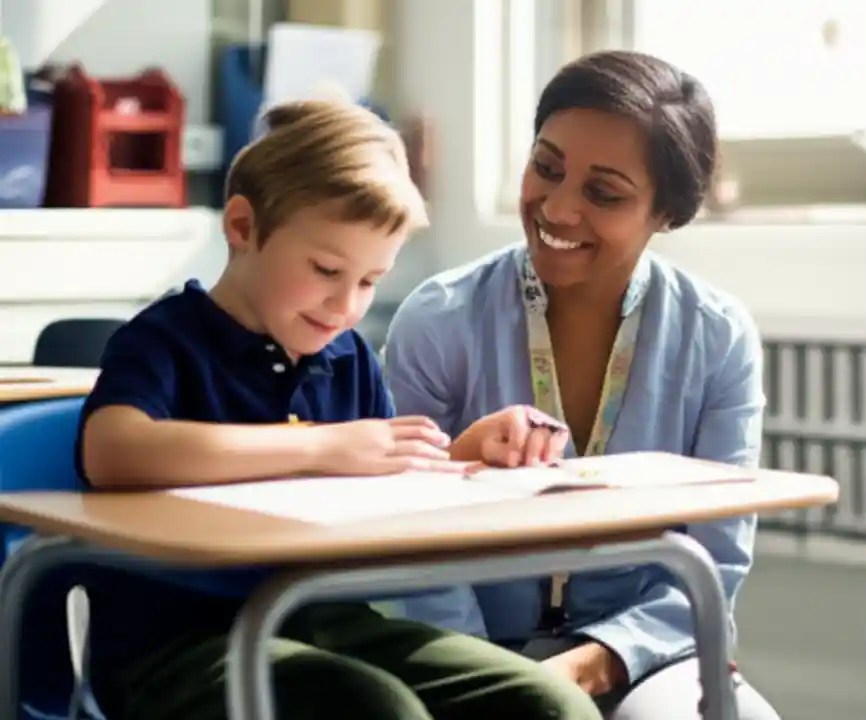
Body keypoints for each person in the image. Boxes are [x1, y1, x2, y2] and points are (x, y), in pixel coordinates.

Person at [76, 99, 602, 720]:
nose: (345, 305)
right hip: (174, 652)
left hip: (324, 617)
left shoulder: (345, 355)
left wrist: (470, 450)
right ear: (243, 228)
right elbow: (112, 450)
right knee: (377, 708)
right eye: (327, 269)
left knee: (548, 702)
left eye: (369, 281)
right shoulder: (167, 340)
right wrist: (321, 447)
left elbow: (386, 481)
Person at [382, 51, 778, 719]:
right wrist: (493, 677)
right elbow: (401, 532)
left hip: (641, 654)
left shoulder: (717, 338)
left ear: (667, 213)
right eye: (547, 167)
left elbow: (712, 567)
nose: (557, 208)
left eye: (604, 193)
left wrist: (593, 662)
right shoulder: (438, 317)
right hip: (456, 647)